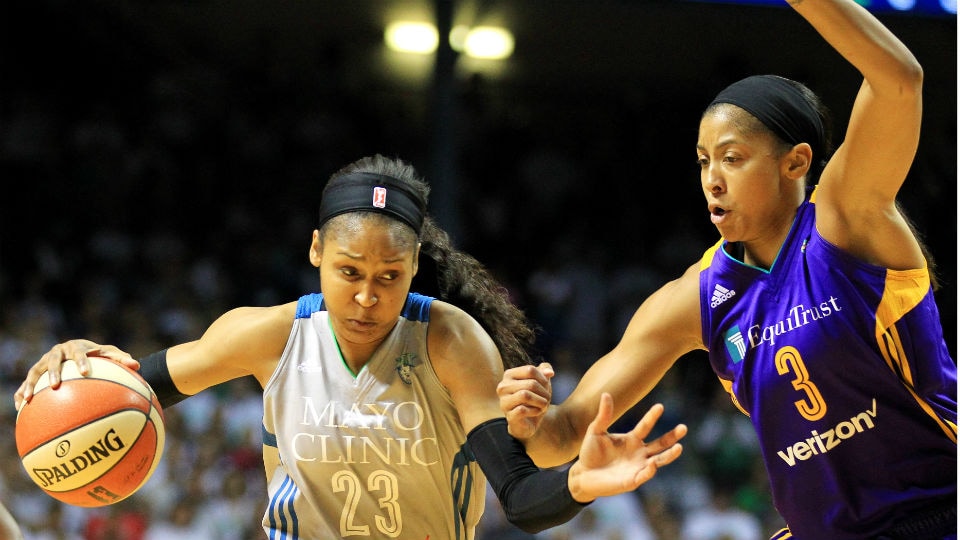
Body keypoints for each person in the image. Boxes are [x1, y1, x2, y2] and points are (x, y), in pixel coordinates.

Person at [14, 154, 687, 539]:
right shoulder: (269, 335)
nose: (367, 298)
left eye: (388, 278)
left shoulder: (451, 342)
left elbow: (517, 495)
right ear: (315, 253)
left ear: (416, 266)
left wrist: (576, 483)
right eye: (349, 274)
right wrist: (79, 365)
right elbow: (131, 388)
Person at [497, 1, 957, 539]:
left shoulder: (846, 220)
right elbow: (565, 433)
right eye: (703, 160)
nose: (712, 179)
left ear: (796, 162)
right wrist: (528, 418)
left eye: (733, 158)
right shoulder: (695, 296)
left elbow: (899, 79)